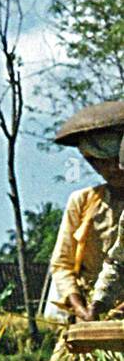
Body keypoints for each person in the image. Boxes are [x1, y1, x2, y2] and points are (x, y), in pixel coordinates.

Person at [47, 101, 124, 321]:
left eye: (115, 161)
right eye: (100, 162)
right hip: (93, 310)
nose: (111, 169)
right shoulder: (82, 202)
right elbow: (62, 264)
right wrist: (82, 309)